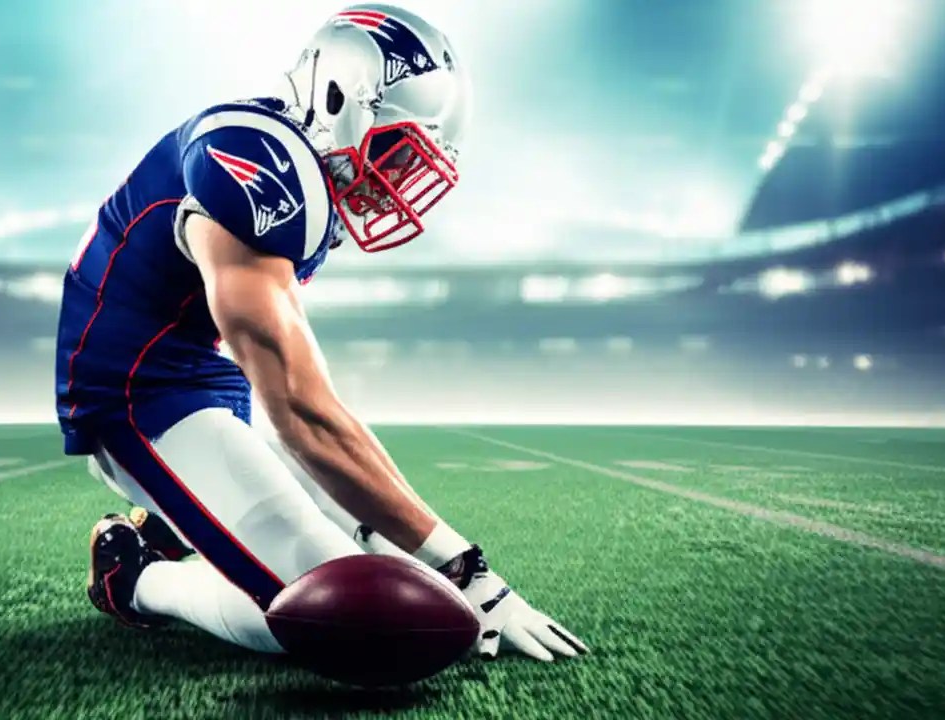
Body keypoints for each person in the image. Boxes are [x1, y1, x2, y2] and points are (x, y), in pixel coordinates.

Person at [54, 3, 586, 662]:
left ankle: (176, 525)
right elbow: (304, 410)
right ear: (341, 100)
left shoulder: (290, 164)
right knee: (346, 608)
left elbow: (294, 396)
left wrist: (424, 555)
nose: (396, 182)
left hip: (202, 375)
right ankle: (136, 578)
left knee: (371, 548)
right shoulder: (259, 165)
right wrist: (467, 570)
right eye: (395, 154)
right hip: (137, 393)